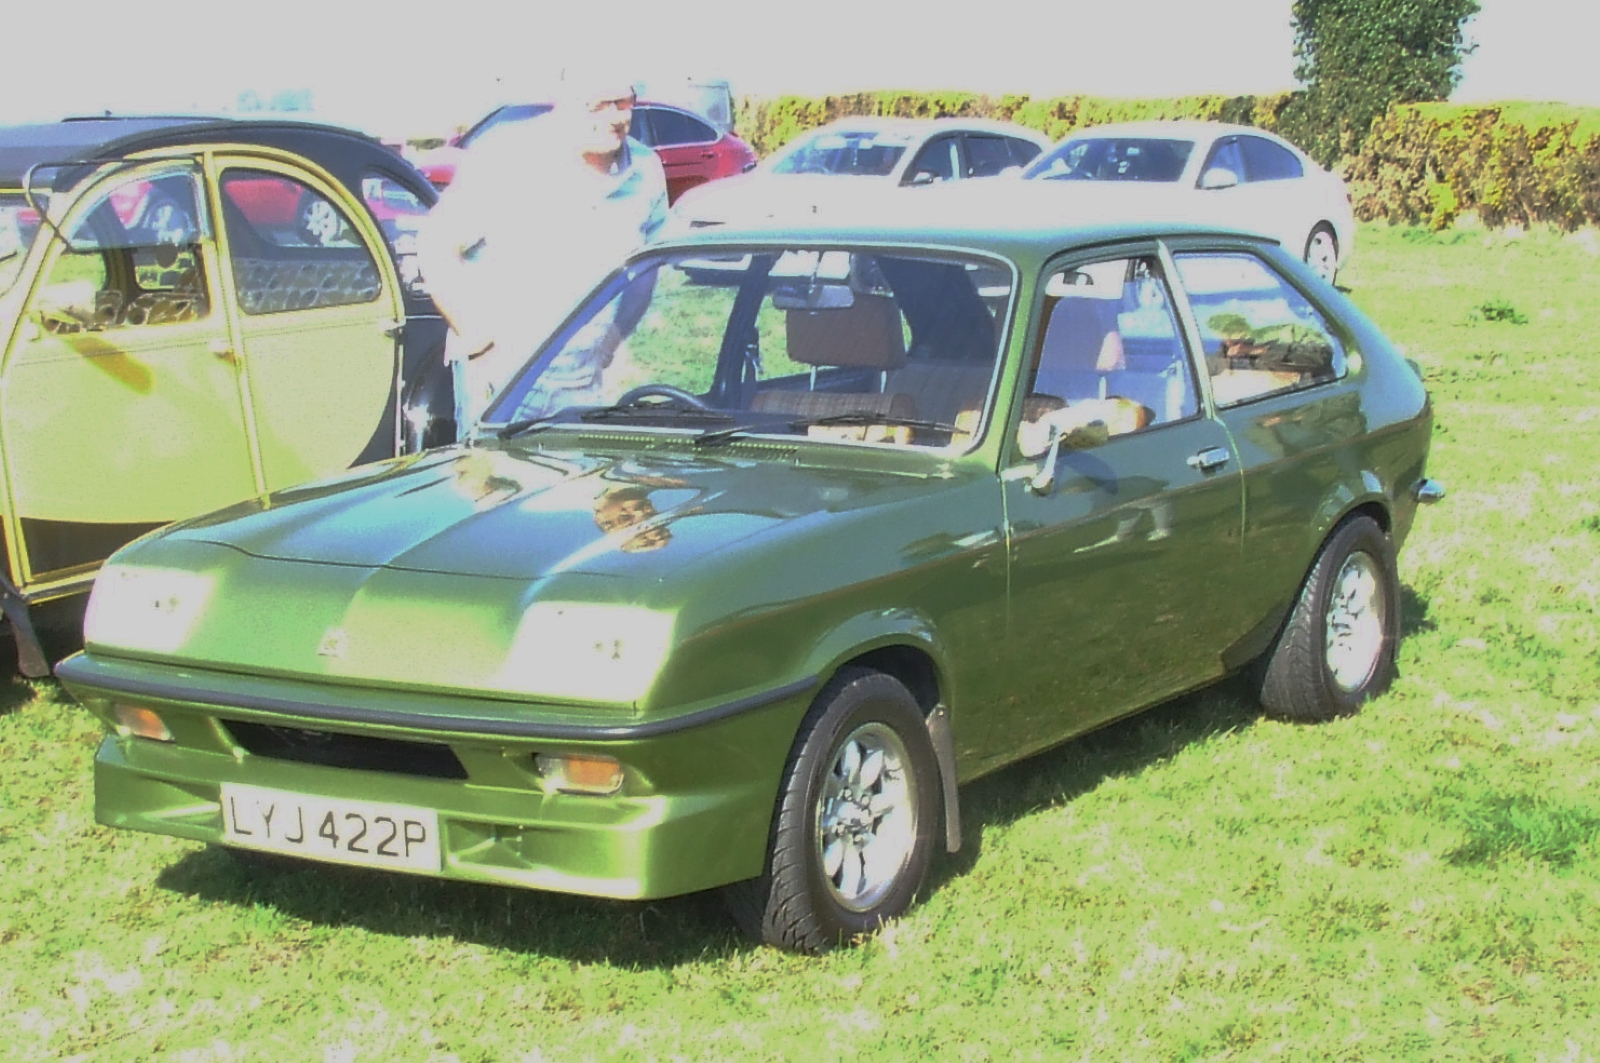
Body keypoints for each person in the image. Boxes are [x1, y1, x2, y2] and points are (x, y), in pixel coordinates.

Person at [417, 71, 669, 439]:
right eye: (599, 105)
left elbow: (650, 266)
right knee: (498, 492)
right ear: (563, 103)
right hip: (505, 383)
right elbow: (437, 247)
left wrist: (614, 339)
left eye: (624, 102)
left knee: (585, 491)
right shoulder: (506, 157)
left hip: (591, 378)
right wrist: (477, 340)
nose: (616, 117)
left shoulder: (645, 171)